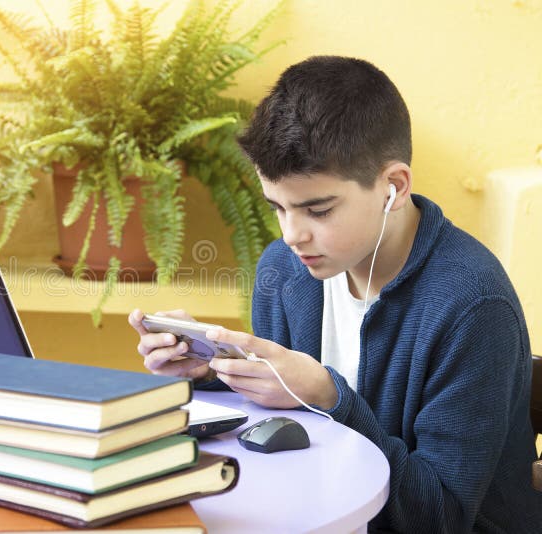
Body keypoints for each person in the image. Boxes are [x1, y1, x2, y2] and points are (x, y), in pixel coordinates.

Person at [128, 56, 542, 532]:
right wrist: (212, 373)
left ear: (394, 187)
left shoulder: (472, 306)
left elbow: (440, 516)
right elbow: (279, 435)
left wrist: (330, 398)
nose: (292, 234)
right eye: (278, 208)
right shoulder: (284, 272)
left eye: (318, 211)